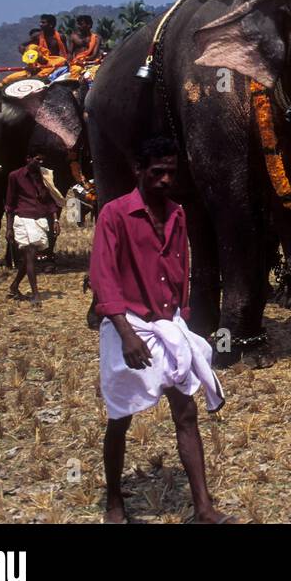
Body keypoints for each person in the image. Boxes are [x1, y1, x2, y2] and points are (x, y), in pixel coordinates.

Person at [91, 136, 229, 523]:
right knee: (121, 416)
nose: (166, 180)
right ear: (138, 170)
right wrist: (126, 333)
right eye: (157, 172)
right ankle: (114, 502)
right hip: (129, 327)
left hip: (169, 327)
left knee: (186, 413)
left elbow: (180, 269)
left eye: (171, 172)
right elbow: (103, 277)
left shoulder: (177, 214)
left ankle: (203, 508)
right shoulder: (114, 215)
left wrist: (181, 317)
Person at [5, 148, 63, 307]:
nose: (40, 163)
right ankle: (36, 294)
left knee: (29, 258)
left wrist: (56, 220)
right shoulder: (15, 176)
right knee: (30, 255)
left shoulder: (44, 176)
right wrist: (9, 228)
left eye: (43, 160)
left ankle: (14, 285)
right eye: (38, 159)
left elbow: (50, 201)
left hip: (40, 220)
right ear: (28, 158)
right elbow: (9, 204)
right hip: (23, 220)